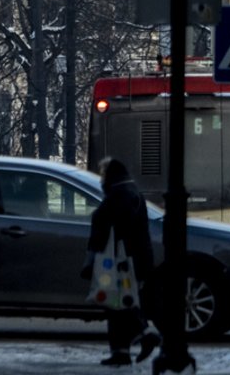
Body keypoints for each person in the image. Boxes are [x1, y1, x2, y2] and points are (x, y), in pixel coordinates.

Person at [82, 157, 160, 366]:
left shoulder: (118, 195)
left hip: (120, 261)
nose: (101, 178)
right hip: (135, 258)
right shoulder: (131, 191)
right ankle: (122, 351)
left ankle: (143, 334)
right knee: (120, 301)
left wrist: (90, 260)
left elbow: (106, 224)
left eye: (103, 173)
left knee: (119, 302)